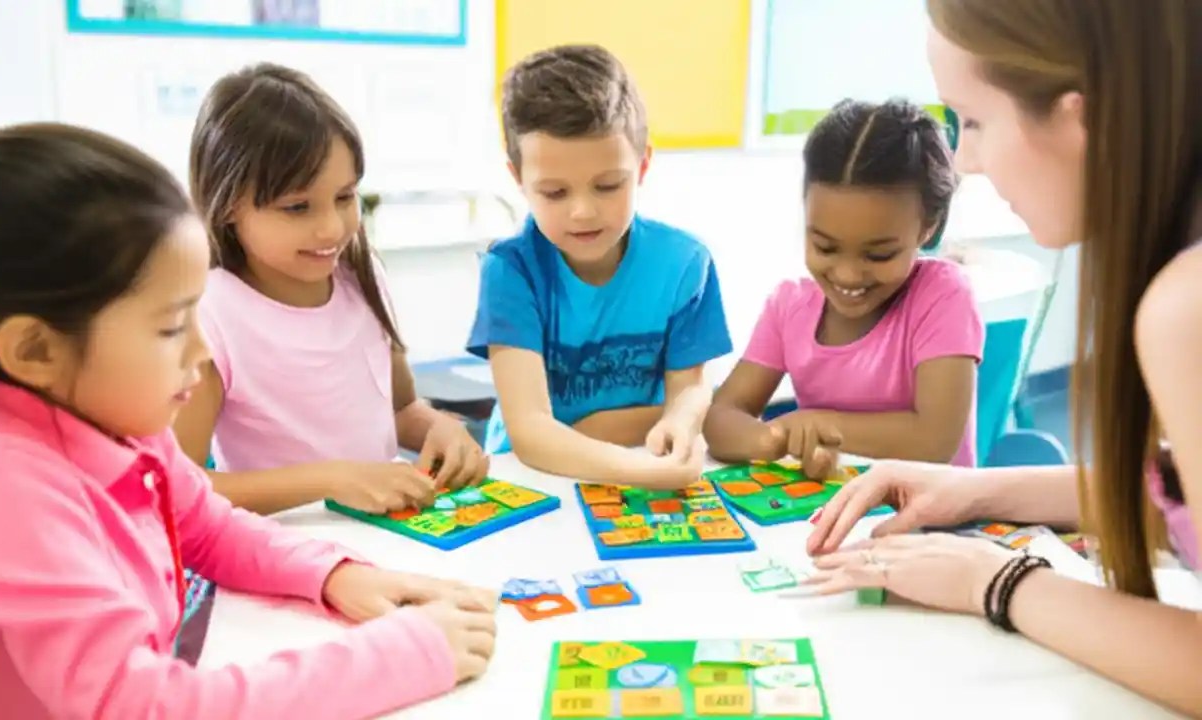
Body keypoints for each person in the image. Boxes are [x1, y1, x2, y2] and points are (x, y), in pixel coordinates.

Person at [0, 124, 496, 719]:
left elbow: (207, 526)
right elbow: (142, 707)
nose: (201, 348)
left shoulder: (114, 424)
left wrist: (335, 576)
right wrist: (401, 657)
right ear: (36, 350)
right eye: (171, 326)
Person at [804, 1, 1202, 714]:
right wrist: (971, 492)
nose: (964, 161)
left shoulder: (1186, 308)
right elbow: (1179, 501)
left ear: (1082, 116)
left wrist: (999, 582)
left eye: (974, 121)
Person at [173, 64, 488, 517]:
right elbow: (181, 487)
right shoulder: (212, 313)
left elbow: (400, 411)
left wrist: (441, 429)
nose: (332, 228)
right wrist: (331, 481)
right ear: (226, 206)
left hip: (389, 539)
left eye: (345, 197)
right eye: (298, 207)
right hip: (280, 551)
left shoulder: (361, 274)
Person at [466, 44, 733, 488]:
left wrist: (682, 421)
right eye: (555, 193)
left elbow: (690, 386)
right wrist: (643, 470)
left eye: (608, 186)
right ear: (518, 178)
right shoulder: (511, 270)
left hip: (641, 458)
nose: (583, 212)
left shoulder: (686, 264)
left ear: (643, 164)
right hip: (534, 479)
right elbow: (531, 431)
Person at [703, 98, 982, 478]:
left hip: (931, 524)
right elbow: (720, 417)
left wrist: (812, 422)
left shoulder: (944, 295)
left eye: (879, 254)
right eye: (825, 247)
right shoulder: (789, 306)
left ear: (927, 227)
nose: (848, 275)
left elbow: (933, 441)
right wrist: (773, 439)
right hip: (828, 519)